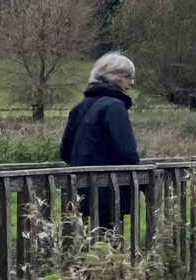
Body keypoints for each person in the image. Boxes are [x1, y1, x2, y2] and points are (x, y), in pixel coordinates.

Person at [60, 53, 141, 229]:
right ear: (109, 77)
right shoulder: (114, 107)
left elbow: (66, 151)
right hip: (108, 193)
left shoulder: (79, 107)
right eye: (127, 77)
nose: (132, 82)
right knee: (108, 245)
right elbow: (127, 153)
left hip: (79, 192)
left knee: (82, 244)